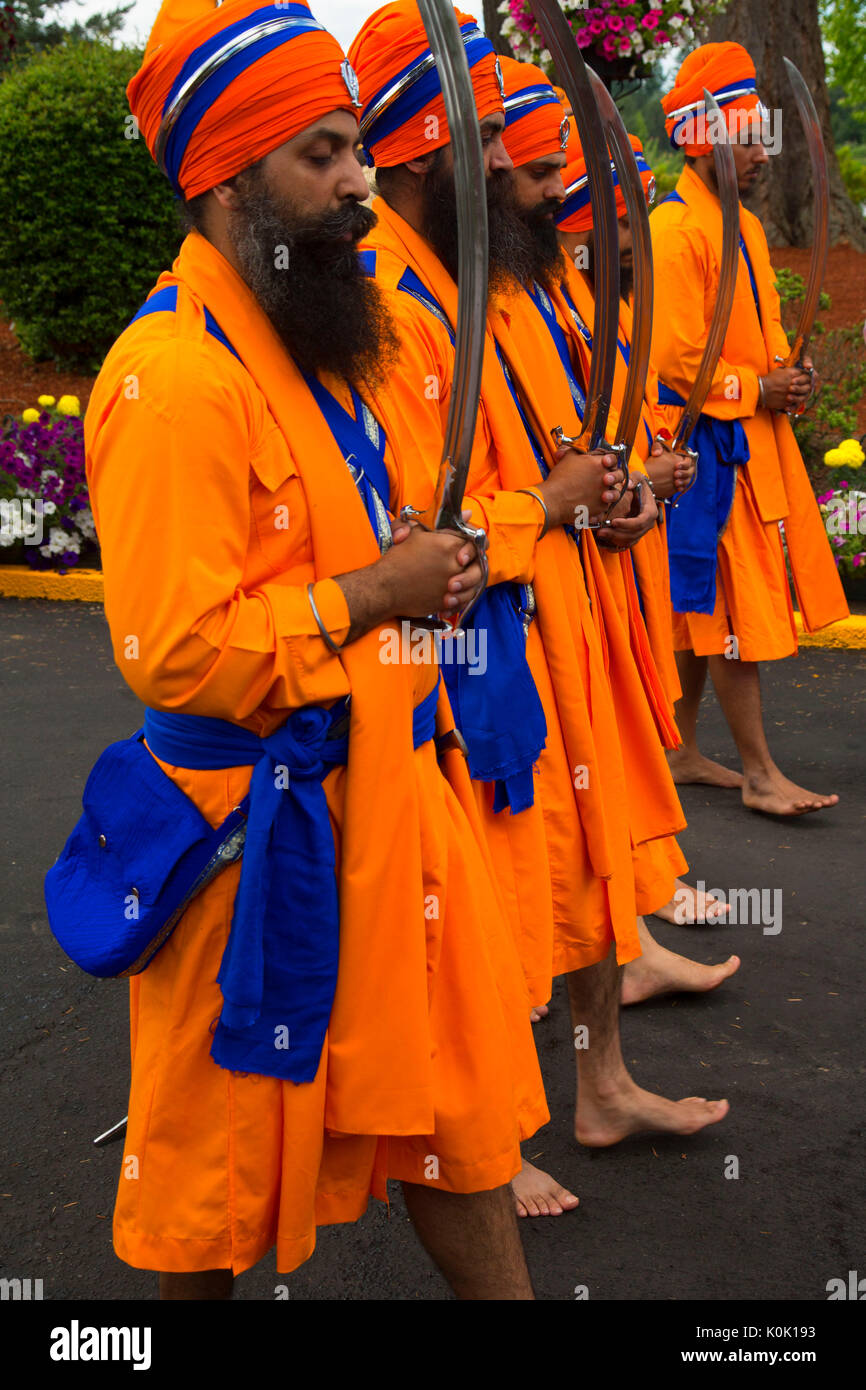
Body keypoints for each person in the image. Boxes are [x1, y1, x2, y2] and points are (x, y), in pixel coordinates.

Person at [84, 0, 550, 1300]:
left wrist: (434, 571)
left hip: (398, 809)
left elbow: (371, 544)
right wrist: (367, 595)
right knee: (216, 1197)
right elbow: (178, 657)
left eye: (359, 149)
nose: (360, 185)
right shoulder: (170, 380)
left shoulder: (321, 342)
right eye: (324, 155)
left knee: (458, 1126)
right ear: (230, 180)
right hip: (258, 846)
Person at [349, 6, 731, 1221]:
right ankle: (488, 1135)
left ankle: (600, 1084)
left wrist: (599, 500)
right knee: (487, 902)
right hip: (470, 647)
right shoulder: (389, 309)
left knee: (567, 876)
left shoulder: (490, 280)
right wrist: (550, 512)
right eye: (507, 167)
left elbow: (543, 453)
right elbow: (414, 534)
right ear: (427, 159)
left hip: (558, 608)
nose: (529, 190)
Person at [652, 42, 848, 817]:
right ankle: (761, 772)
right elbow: (673, 359)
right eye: (746, 136)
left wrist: (783, 379)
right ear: (703, 139)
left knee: (703, 605)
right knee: (731, 609)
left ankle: (680, 751)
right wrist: (753, 387)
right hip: (708, 449)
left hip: (748, 439)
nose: (762, 152)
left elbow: (753, 339)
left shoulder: (746, 229)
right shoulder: (675, 230)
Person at [554, 114, 730, 929]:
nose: (633, 238)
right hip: (573, 571)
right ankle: (619, 914)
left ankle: (645, 883)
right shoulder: (557, 311)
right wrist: (637, 477)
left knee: (626, 726)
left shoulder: (604, 310)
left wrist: (657, 468)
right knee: (594, 742)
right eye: (619, 220)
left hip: (626, 551)